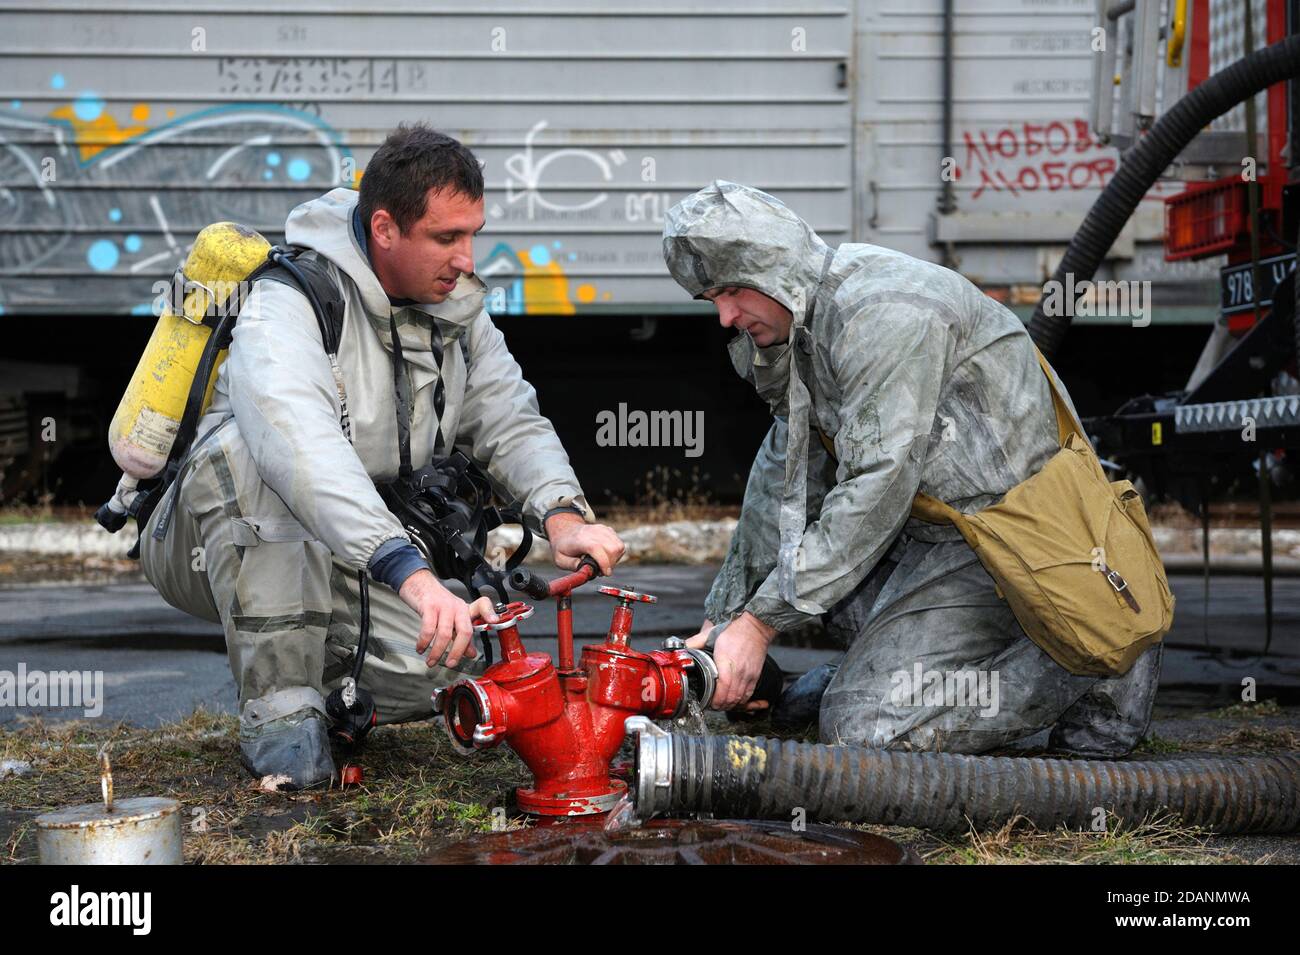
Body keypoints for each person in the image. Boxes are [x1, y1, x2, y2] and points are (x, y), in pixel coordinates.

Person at [140, 124, 624, 787]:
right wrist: (413, 574)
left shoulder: (454, 310)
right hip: (208, 537)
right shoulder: (290, 303)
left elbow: (508, 415)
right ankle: (280, 716)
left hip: (344, 541)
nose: (468, 259)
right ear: (386, 229)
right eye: (447, 237)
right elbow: (300, 452)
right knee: (257, 461)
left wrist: (562, 514)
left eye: (472, 233)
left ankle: (323, 685)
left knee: (442, 663)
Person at [663, 180, 1160, 756]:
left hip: (1012, 542)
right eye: (710, 299)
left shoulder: (884, 312)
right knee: (832, 603)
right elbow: (785, 471)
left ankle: (1099, 653)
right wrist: (725, 623)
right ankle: (879, 678)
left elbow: (878, 485)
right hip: (932, 532)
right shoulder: (801, 327)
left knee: (863, 731)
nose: (724, 316)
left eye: (732, 290)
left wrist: (760, 624)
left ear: (777, 267)